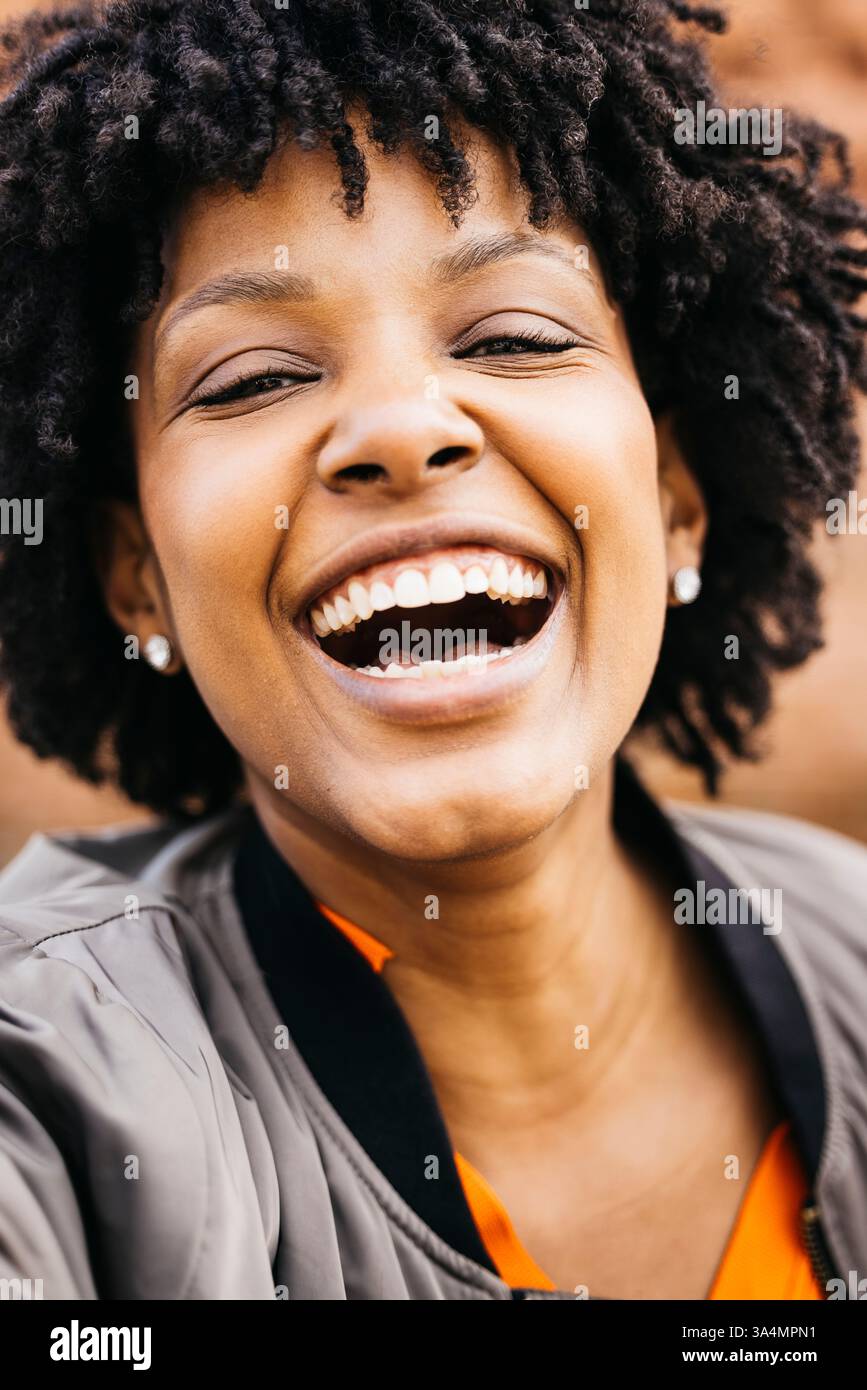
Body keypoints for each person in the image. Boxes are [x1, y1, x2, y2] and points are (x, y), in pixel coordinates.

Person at [0, 0, 866, 1302]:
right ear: (137, 580)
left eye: (514, 335)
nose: (402, 430)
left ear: (678, 487)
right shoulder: (47, 1085)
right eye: (249, 378)